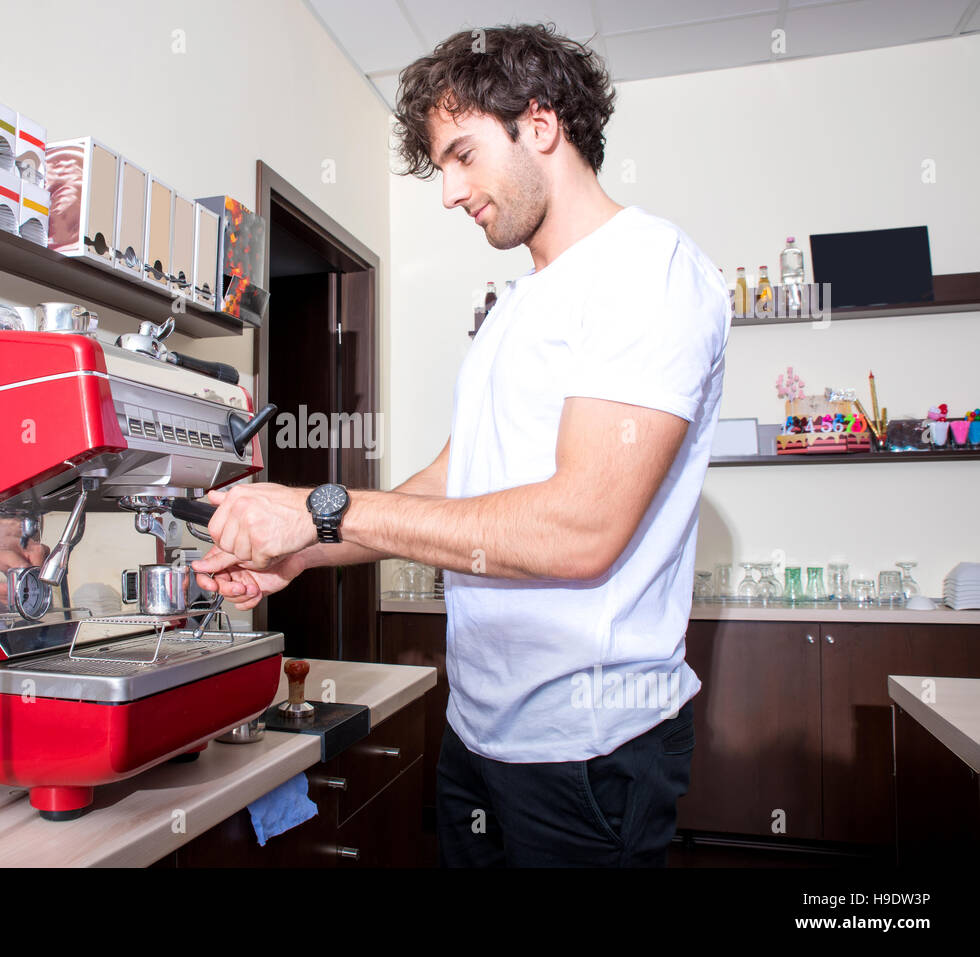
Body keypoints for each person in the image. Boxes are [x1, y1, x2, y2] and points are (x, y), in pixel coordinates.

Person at [191, 23, 730, 867]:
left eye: (463, 156)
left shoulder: (648, 273)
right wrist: (303, 551)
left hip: (586, 753)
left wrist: (318, 505)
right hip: (480, 732)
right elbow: (451, 482)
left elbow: (579, 530)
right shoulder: (515, 309)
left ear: (541, 126)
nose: (448, 192)